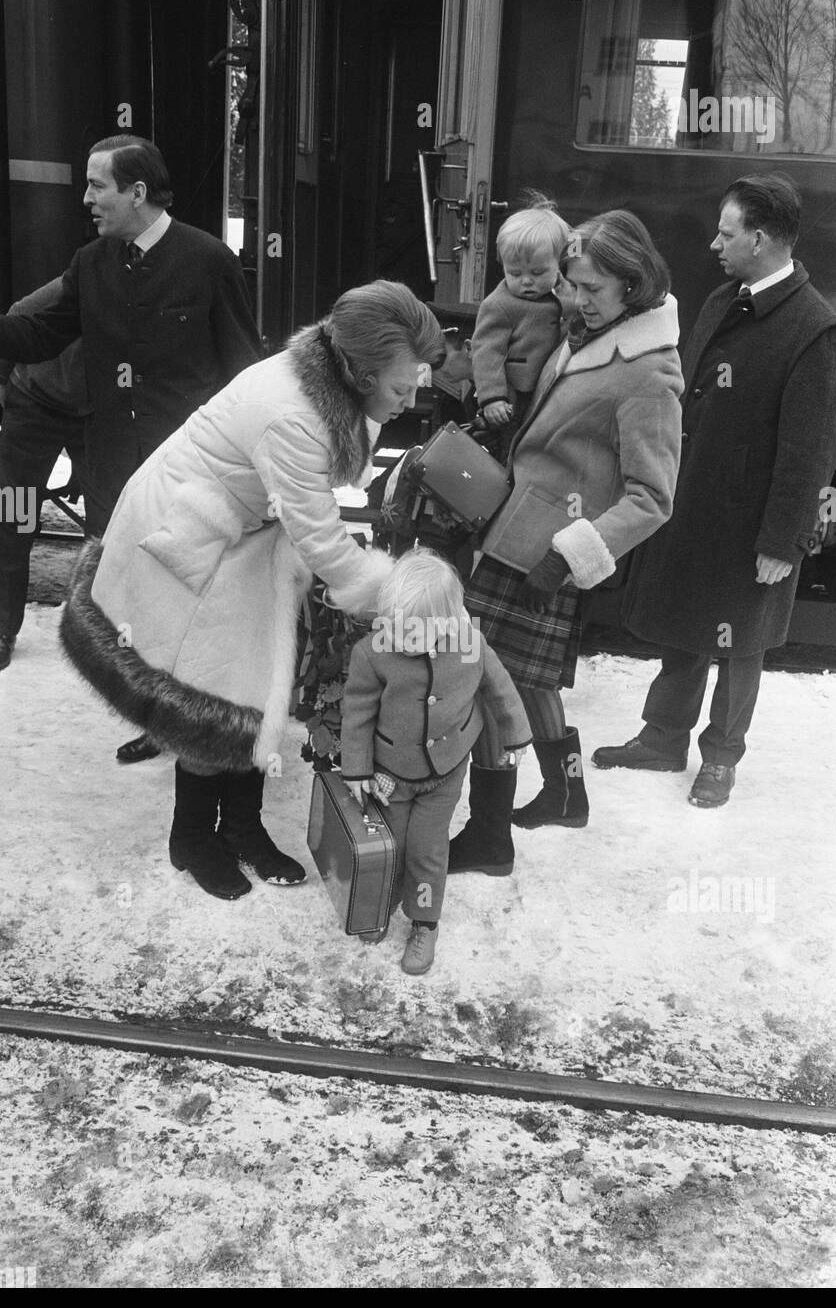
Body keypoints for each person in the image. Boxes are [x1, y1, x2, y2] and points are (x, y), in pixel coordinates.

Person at [60, 280, 447, 901]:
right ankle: (191, 837)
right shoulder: (294, 415)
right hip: (190, 531)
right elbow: (320, 534)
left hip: (243, 528)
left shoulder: (329, 381)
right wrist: (390, 600)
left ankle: (240, 826)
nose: (412, 397)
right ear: (359, 369)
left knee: (254, 686)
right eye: (402, 387)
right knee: (210, 693)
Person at [0, 135, 263, 761]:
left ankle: (206, 719)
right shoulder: (91, 262)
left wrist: (251, 461)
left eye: (98, 186)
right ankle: (156, 717)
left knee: (194, 595)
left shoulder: (207, 259)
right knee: (132, 598)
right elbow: (40, 334)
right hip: (117, 467)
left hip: (191, 466)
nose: (87, 198)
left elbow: (243, 367)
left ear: (136, 192)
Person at [593, 175, 836, 807]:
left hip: (756, 525)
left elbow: (810, 452)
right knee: (684, 618)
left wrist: (783, 542)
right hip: (696, 504)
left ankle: (721, 759)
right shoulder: (720, 301)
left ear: (760, 239)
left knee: (743, 639)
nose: (714, 244)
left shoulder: (816, 330)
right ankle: (662, 737)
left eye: (727, 233)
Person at [449, 210, 684, 876]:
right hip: (515, 529)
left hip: (548, 551)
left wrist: (567, 556)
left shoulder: (647, 374)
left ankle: (490, 835)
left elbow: (652, 498)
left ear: (632, 286)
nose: (572, 300)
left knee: (491, 685)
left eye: (590, 289)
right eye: (572, 283)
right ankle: (566, 790)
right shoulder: (592, 330)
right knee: (526, 683)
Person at [339, 549, 530, 974]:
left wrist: (516, 734)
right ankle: (386, 898)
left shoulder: (471, 646)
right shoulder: (372, 653)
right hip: (392, 771)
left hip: (445, 771)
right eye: (395, 628)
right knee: (394, 842)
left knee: (427, 848)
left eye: (415, 634)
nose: (402, 641)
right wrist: (357, 767)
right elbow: (357, 712)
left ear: (447, 622)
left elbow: (500, 688)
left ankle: (425, 920)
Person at [0, 280, 90, 671]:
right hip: (34, 408)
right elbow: (17, 314)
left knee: (111, 524)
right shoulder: (82, 279)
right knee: (13, 517)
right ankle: (2, 630)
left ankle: (104, 635)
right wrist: (2, 382)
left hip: (96, 417)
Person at [471, 193, 574, 457]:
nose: (526, 281)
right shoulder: (499, 304)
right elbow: (486, 352)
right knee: (512, 449)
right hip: (516, 394)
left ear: (559, 265)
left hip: (555, 385)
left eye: (538, 272)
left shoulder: (569, 291)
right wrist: (493, 398)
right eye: (514, 273)